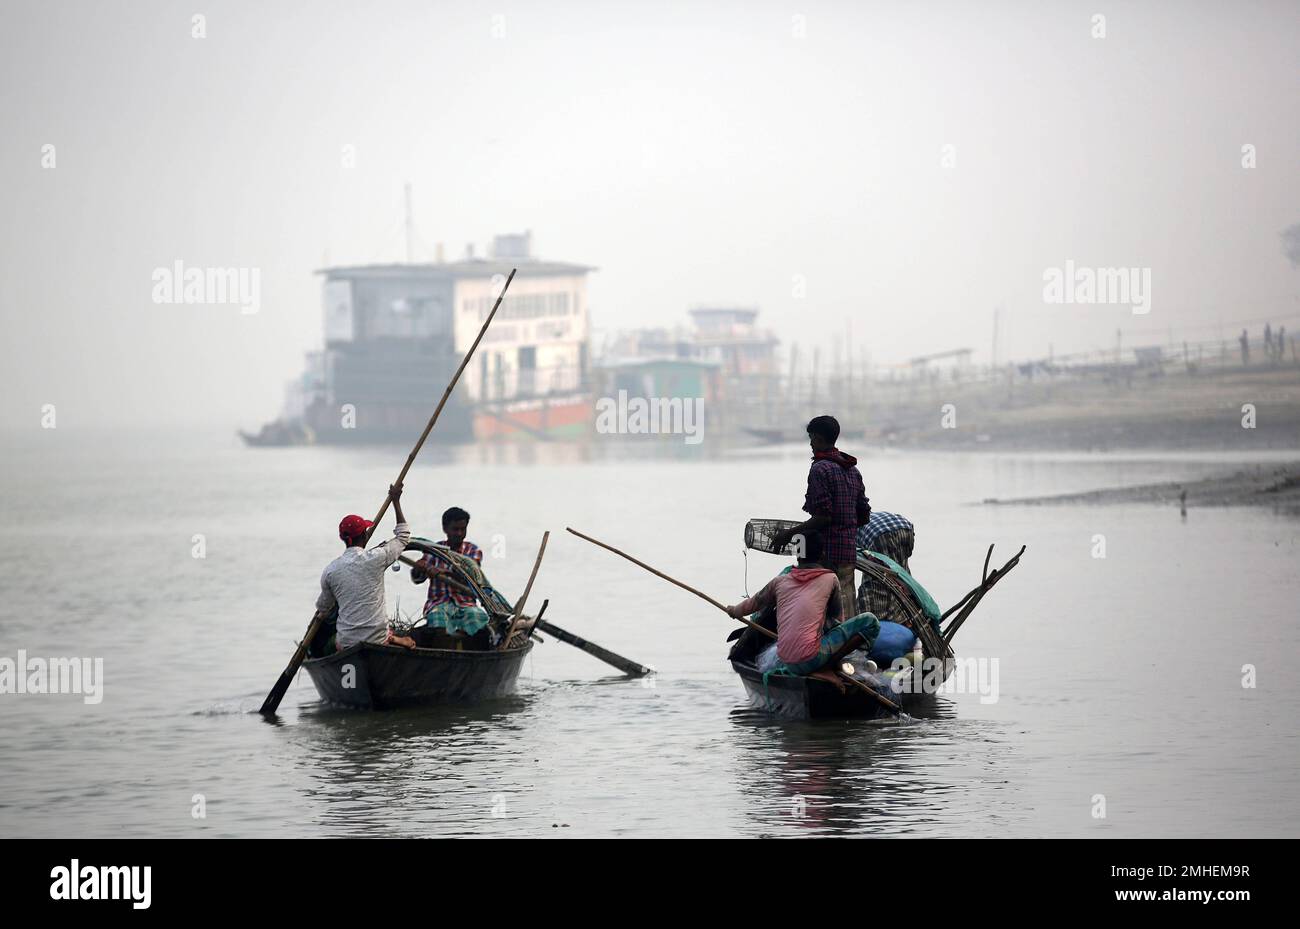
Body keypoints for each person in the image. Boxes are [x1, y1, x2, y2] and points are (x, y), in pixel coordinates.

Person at [724, 532, 879, 676]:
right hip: (811, 660)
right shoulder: (830, 579)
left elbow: (752, 604)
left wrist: (733, 610)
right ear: (822, 554)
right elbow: (837, 620)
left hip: (785, 659)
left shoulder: (780, 581)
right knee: (871, 621)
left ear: (798, 556)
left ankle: (823, 665)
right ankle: (826, 669)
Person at [771, 415, 870, 623]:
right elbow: (863, 514)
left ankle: (825, 649)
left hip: (826, 553)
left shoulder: (820, 469)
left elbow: (822, 518)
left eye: (811, 438)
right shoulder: (852, 470)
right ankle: (851, 648)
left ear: (818, 438)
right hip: (847, 552)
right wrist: (846, 528)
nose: (810, 444)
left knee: (825, 610)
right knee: (846, 603)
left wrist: (788, 534)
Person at [315, 483, 415, 651]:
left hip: (346, 642)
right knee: (382, 634)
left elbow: (323, 608)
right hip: (377, 639)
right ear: (364, 535)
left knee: (327, 647)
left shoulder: (330, 571)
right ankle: (393, 639)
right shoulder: (377, 558)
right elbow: (403, 536)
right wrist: (396, 501)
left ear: (342, 538)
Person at [410, 506, 491, 643]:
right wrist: (419, 568)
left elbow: (471, 575)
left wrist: (445, 572)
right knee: (437, 619)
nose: (459, 533)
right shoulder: (434, 550)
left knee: (477, 617)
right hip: (439, 604)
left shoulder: (473, 551)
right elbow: (417, 579)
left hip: (466, 605)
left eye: (462, 529)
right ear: (445, 529)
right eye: (455, 529)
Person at [856, 510, 915, 619]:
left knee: (877, 581)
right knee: (901, 575)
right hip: (906, 528)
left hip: (880, 537)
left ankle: (879, 618)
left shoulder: (843, 530)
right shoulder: (871, 515)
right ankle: (905, 614)